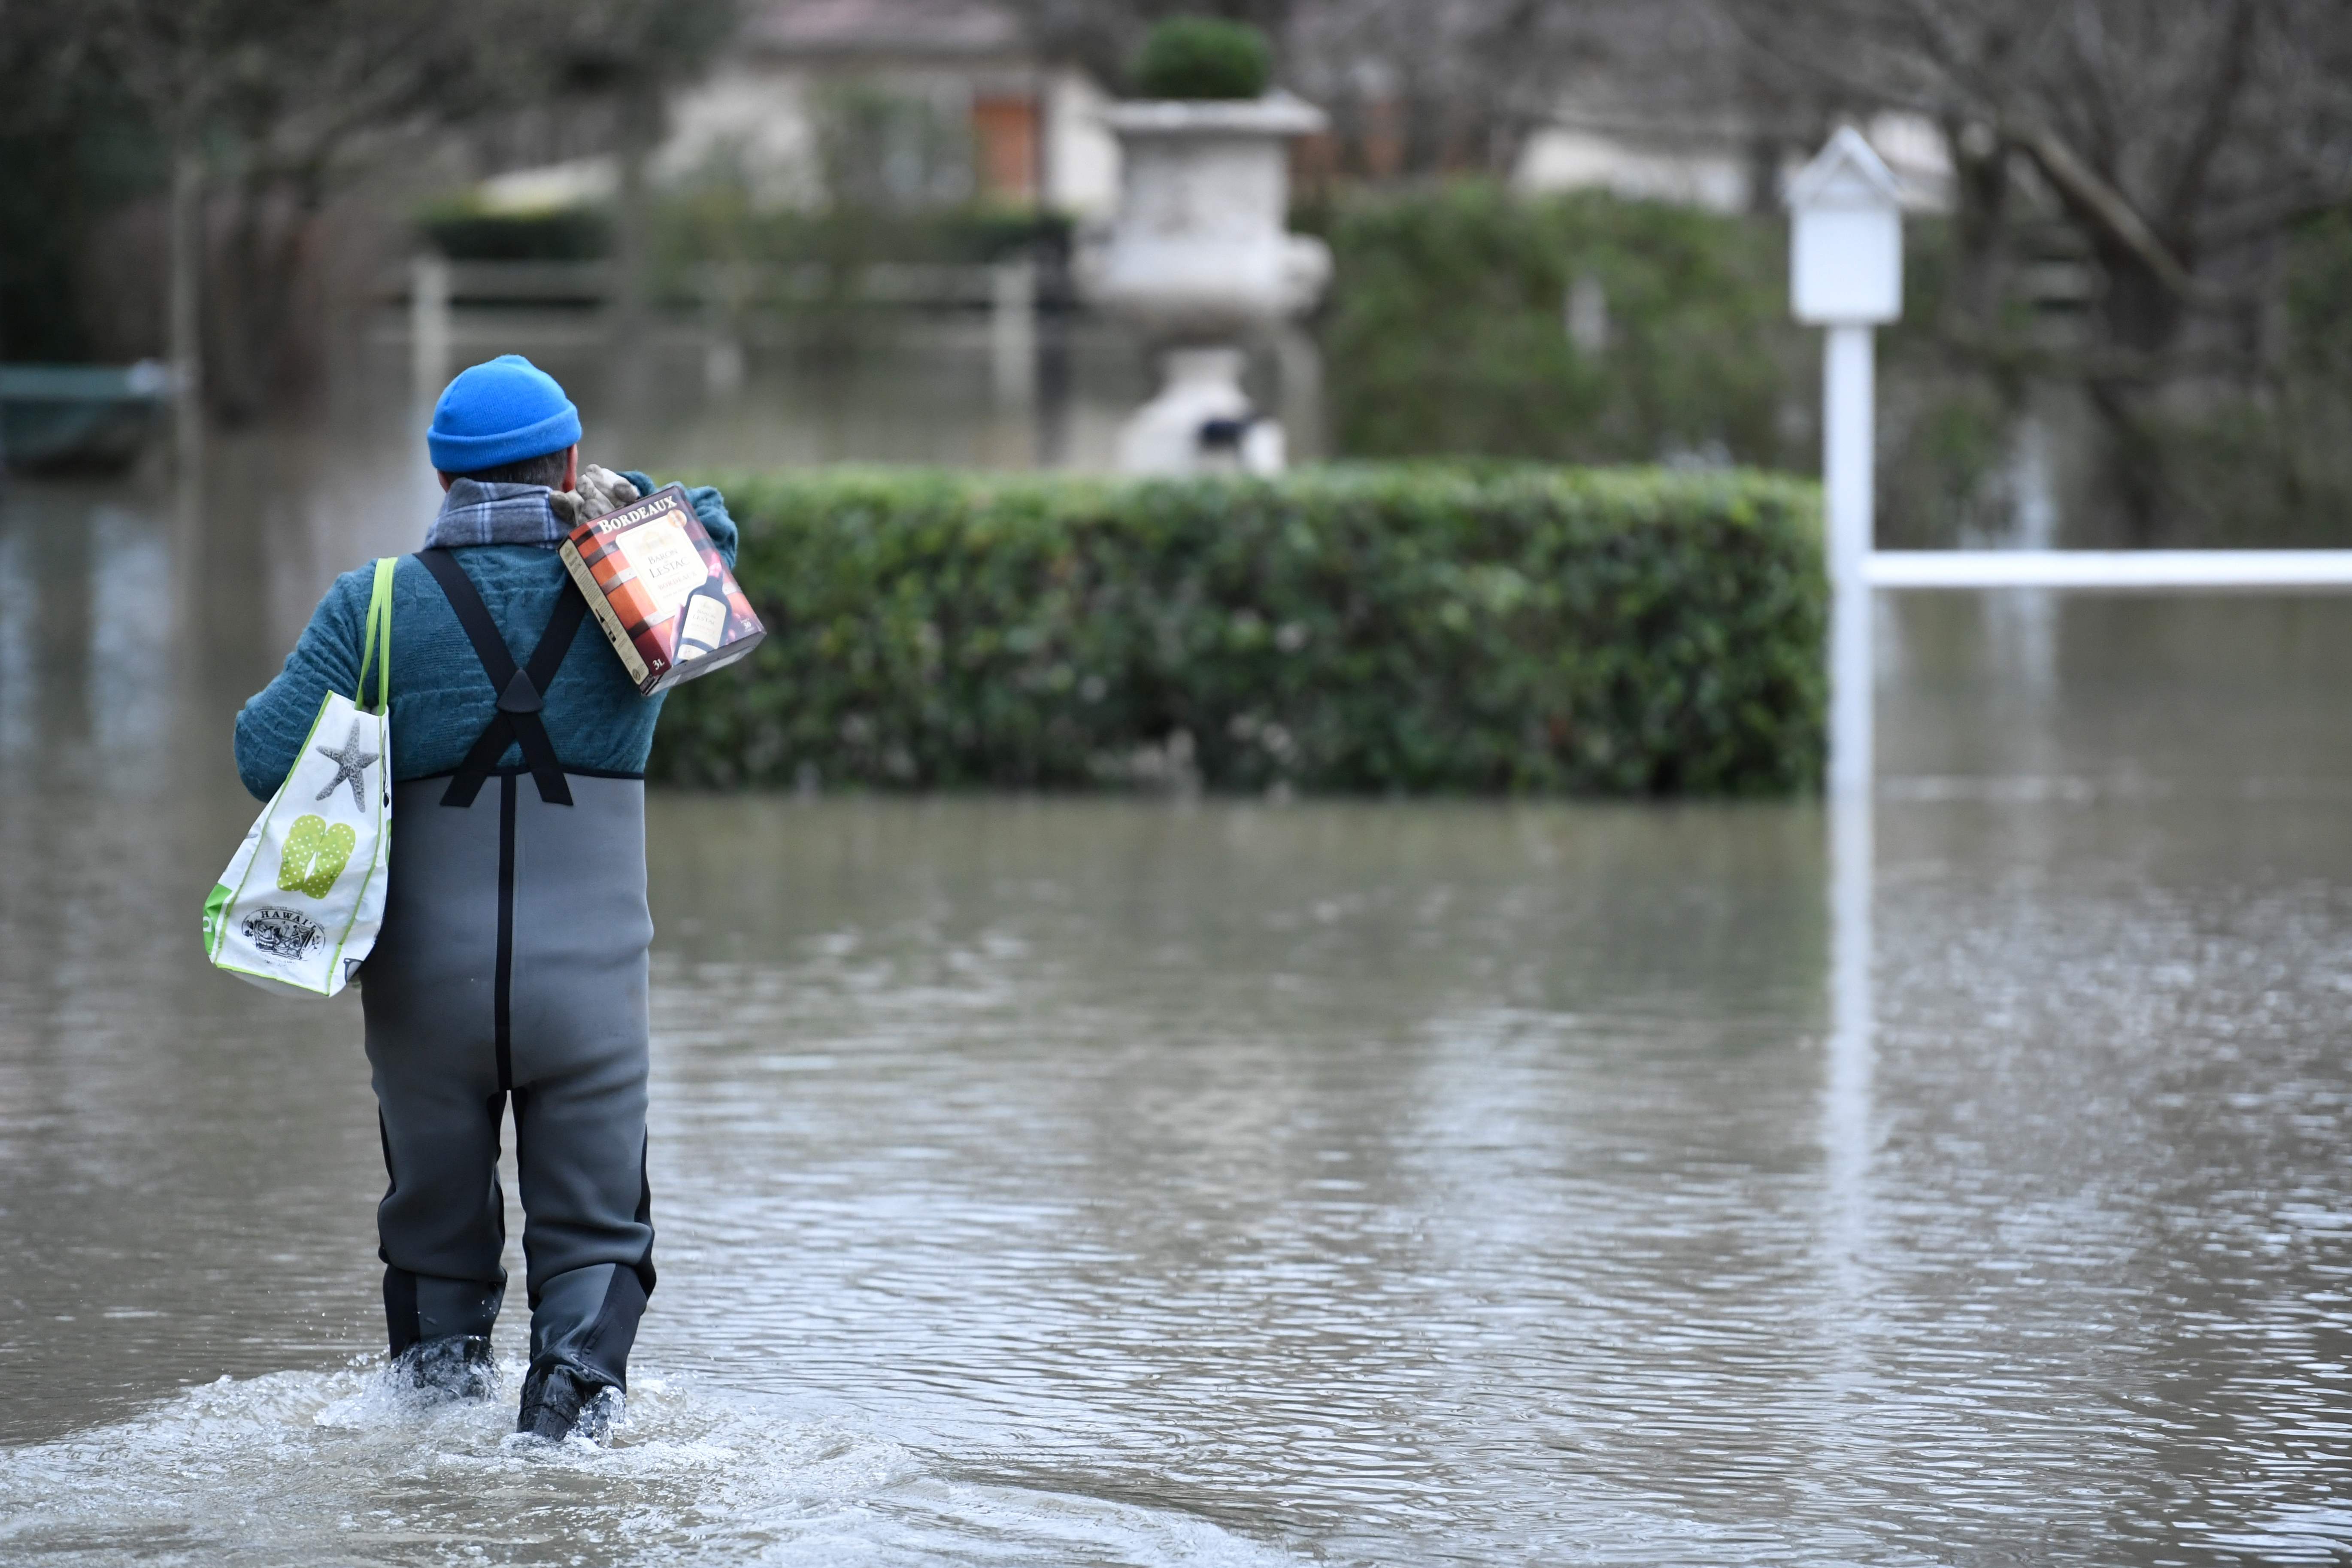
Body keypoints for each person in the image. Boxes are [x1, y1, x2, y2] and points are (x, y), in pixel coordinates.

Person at [233, 355, 736, 1441]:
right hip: (589, 999)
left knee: (433, 1246)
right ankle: (560, 1419)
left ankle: (431, 1435)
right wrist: (619, 495)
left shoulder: (371, 605)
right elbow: (714, 538)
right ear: (565, 461)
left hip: (425, 998)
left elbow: (261, 753)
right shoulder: (631, 599)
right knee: (599, 1239)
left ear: (443, 479)